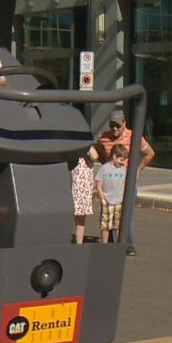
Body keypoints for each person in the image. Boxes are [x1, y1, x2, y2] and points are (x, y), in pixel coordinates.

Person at [88, 109, 154, 256]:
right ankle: (111, 242)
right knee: (109, 211)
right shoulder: (104, 138)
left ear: (124, 124)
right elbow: (97, 154)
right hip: (109, 183)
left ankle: (128, 245)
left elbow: (150, 153)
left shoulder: (133, 137)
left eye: (118, 125)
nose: (115, 129)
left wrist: (137, 170)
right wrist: (106, 166)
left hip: (126, 183)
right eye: (112, 125)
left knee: (127, 214)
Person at [95, 144, 129, 244]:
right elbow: (98, 184)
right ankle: (104, 244)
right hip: (107, 200)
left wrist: (122, 196)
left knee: (118, 225)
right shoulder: (104, 168)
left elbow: (124, 184)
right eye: (121, 160)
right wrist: (102, 198)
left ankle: (117, 243)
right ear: (114, 156)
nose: (122, 163)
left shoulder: (122, 169)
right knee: (105, 225)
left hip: (118, 200)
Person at [70, 156, 94, 244]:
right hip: (77, 182)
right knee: (77, 217)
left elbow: (94, 156)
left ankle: (78, 243)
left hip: (82, 185)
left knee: (80, 217)